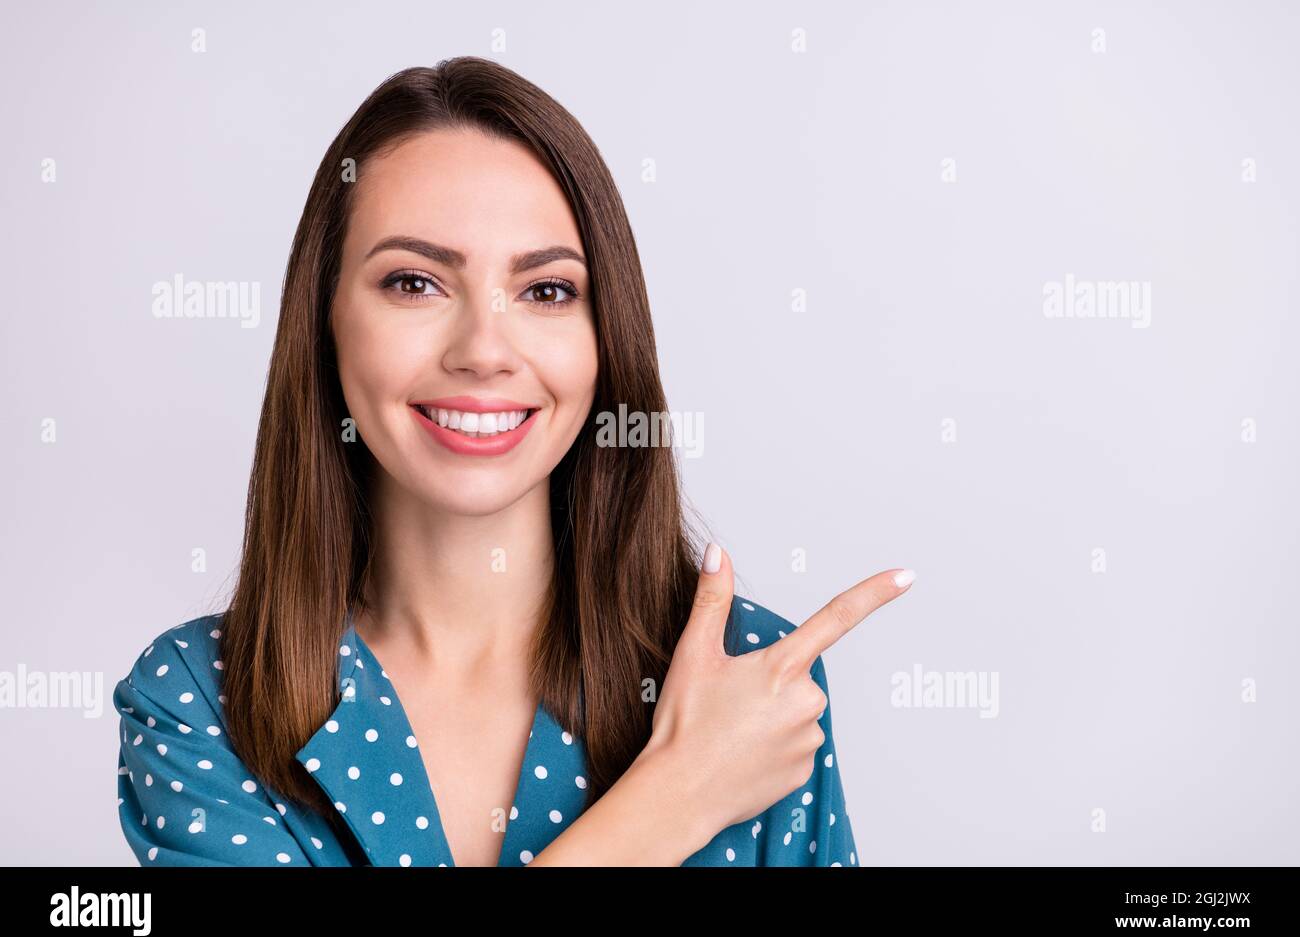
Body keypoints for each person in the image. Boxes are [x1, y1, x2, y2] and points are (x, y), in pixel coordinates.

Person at [113, 56, 914, 866]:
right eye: (416, 282)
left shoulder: (752, 689)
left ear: (606, 340)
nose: (484, 351)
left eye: (547, 292)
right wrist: (674, 800)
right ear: (323, 321)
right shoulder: (199, 704)